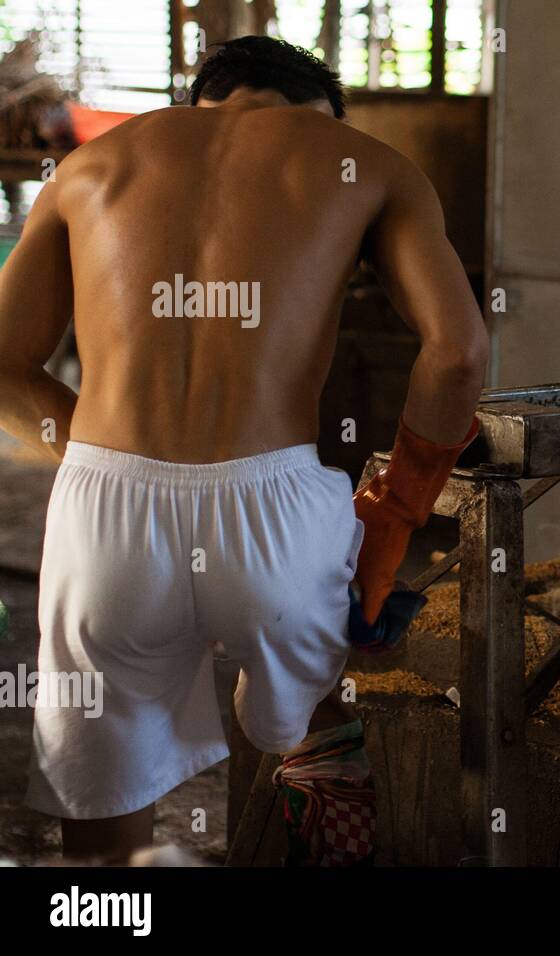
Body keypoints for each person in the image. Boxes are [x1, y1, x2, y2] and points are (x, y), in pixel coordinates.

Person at [0, 35, 487, 863]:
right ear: (321, 112)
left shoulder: (89, 167)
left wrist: (108, 458)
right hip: (277, 512)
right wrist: (398, 512)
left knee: (104, 805)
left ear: (203, 102)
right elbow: (459, 353)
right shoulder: (360, 160)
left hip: (105, 519)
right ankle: (316, 747)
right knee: (317, 699)